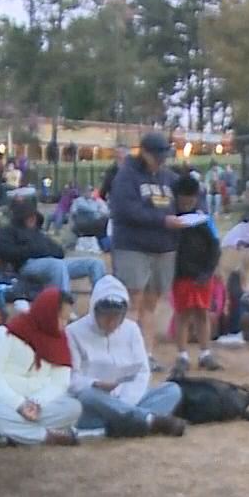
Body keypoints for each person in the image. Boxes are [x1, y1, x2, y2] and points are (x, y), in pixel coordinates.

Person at [64, 276, 186, 438]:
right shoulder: (73, 332)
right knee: (88, 395)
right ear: (95, 311)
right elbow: (71, 379)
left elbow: (142, 372)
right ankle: (148, 421)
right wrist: (95, 383)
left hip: (128, 397)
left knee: (172, 390)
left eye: (116, 317)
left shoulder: (131, 329)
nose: (111, 322)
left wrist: (125, 403)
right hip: (95, 401)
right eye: (106, 316)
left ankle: (125, 424)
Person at [0, 287, 85, 446]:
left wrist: (36, 403)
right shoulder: (4, 335)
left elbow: (60, 383)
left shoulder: (60, 344)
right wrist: (18, 404)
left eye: (66, 320)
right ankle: (44, 436)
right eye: (61, 319)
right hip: (2, 404)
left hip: (38, 408)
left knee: (73, 408)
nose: (64, 325)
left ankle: (8, 434)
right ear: (47, 314)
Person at [108, 133, 184, 360]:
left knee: (151, 304)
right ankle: (124, 354)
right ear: (145, 153)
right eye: (157, 156)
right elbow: (125, 210)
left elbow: (184, 201)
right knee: (132, 301)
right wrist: (162, 220)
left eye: (164, 156)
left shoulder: (169, 178)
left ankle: (146, 354)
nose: (162, 160)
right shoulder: (126, 177)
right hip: (133, 247)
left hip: (163, 248)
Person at [168, 175, 221, 376]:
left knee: (202, 313)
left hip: (202, 274)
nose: (188, 203)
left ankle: (205, 353)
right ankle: (182, 355)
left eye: (191, 199)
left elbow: (215, 247)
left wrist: (209, 271)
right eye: (184, 199)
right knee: (182, 314)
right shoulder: (173, 220)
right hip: (181, 275)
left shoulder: (204, 220)